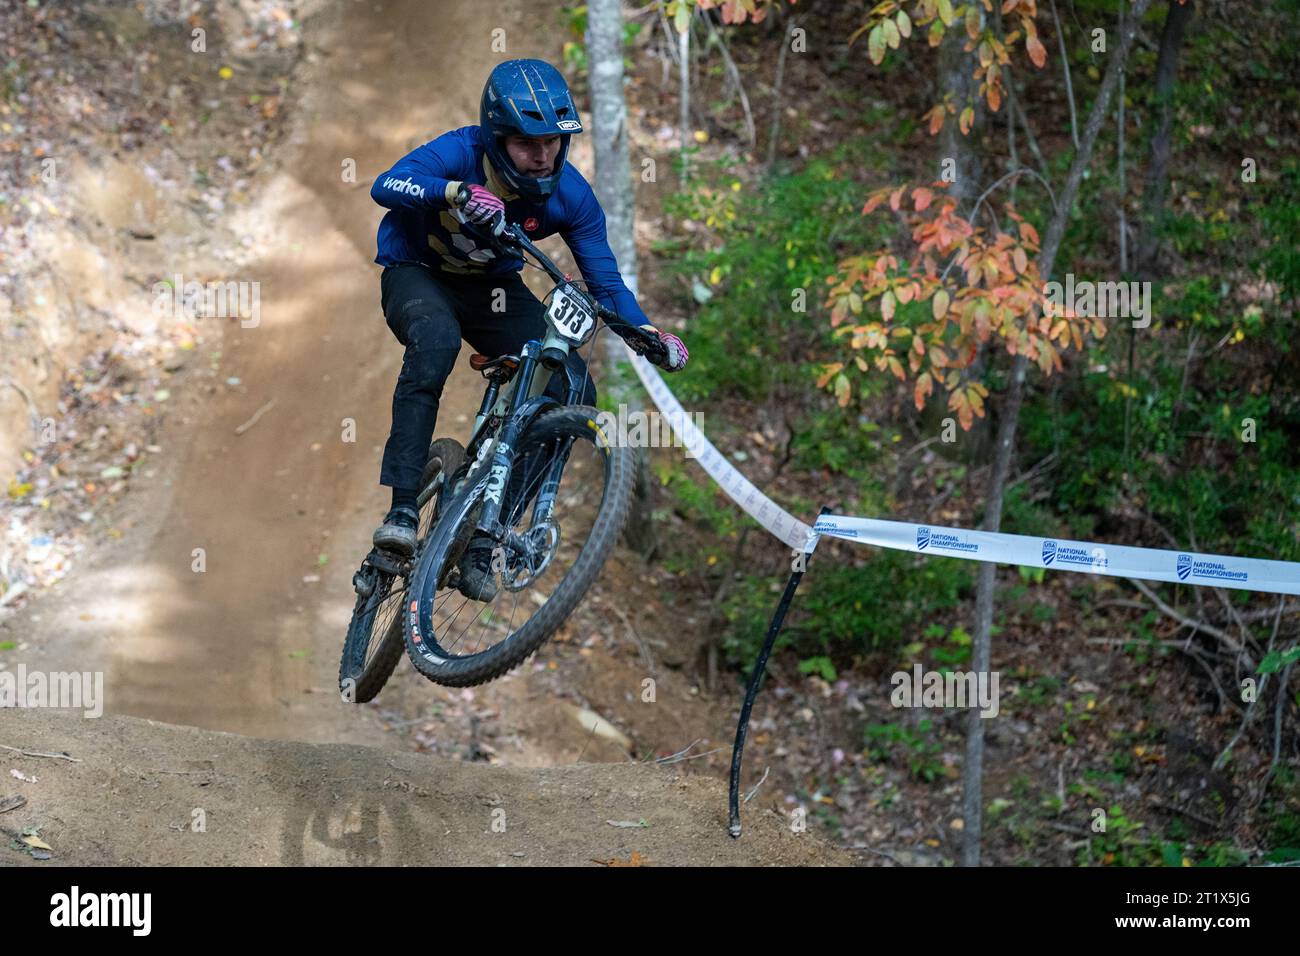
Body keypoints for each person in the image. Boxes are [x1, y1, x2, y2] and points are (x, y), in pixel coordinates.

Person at [368, 58, 687, 601]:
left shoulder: (571, 197)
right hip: (417, 275)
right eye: (526, 144)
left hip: (490, 291)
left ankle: (483, 538)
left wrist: (648, 333)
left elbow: (605, 282)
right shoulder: (461, 152)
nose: (543, 157)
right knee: (436, 341)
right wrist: (454, 194)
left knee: (574, 387)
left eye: (553, 144)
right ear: (496, 139)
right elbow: (385, 184)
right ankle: (401, 511)